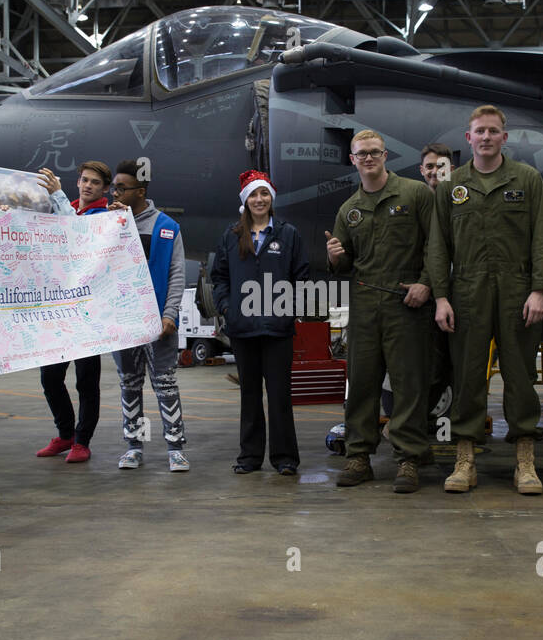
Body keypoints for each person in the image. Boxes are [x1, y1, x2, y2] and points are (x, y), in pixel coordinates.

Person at [429, 105, 543, 495]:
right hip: (467, 290)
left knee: (521, 376)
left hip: (518, 291)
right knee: (468, 376)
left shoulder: (528, 179)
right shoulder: (452, 186)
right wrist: (441, 297)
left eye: (493, 131)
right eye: (479, 131)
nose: (485, 137)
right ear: (469, 139)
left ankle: (525, 461)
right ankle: (465, 460)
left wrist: (539, 289)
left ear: (504, 137)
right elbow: (438, 245)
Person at [326, 130, 434, 494]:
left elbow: (438, 244)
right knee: (362, 384)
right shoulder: (349, 210)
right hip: (365, 306)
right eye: (361, 154)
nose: (368, 158)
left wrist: (427, 283)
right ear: (353, 160)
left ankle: (407, 459)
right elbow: (344, 265)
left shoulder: (415, 194)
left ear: (386, 155)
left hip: (407, 303)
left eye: (374, 152)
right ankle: (358, 456)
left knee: (408, 385)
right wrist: (334, 257)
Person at [211, 170, 310, 475]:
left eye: (264, 194)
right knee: (250, 394)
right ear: (245, 200)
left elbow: (301, 276)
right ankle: (250, 457)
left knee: (280, 395)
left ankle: (285, 459)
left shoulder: (288, 234)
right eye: (253, 195)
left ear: (271, 199)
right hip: (243, 329)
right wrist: (228, 308)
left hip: (278, 329)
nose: (259, 200)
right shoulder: (232, 235)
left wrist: (290, 309)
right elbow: (219, 278)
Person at [107, 160, 189, 472]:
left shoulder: (167, 227)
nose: (115, 192)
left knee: (165, 385)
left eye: (122, 188)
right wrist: (112, 227)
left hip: (158, 324)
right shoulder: (109, 224)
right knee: (130, 385)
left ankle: (174, 448)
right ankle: (135, 446)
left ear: (140, 192)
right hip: (124, 324)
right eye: (114, 186)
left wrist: (170, 314)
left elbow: (177, 274)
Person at [34, 161, 114, 464]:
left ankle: (82, 440)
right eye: (83, 180)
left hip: (88, 311)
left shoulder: (105, 216)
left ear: (104, 188)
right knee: (50, 376)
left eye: (94, 182)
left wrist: (57, 196)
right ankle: (66, 432)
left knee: (86, 380)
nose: (87, 186)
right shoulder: (63, 208)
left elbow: (79, 238)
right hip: (58, 309)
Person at [418, 142, 455, 428]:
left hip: (457, 294)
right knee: (428, 367)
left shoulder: (460, 202)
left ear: (451, 170)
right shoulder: (416, 203)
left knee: (448, 367)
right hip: (424, 298)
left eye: (440, 166)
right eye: (429, 166)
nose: (434, 172)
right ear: (421, 170)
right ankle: (408, 425)